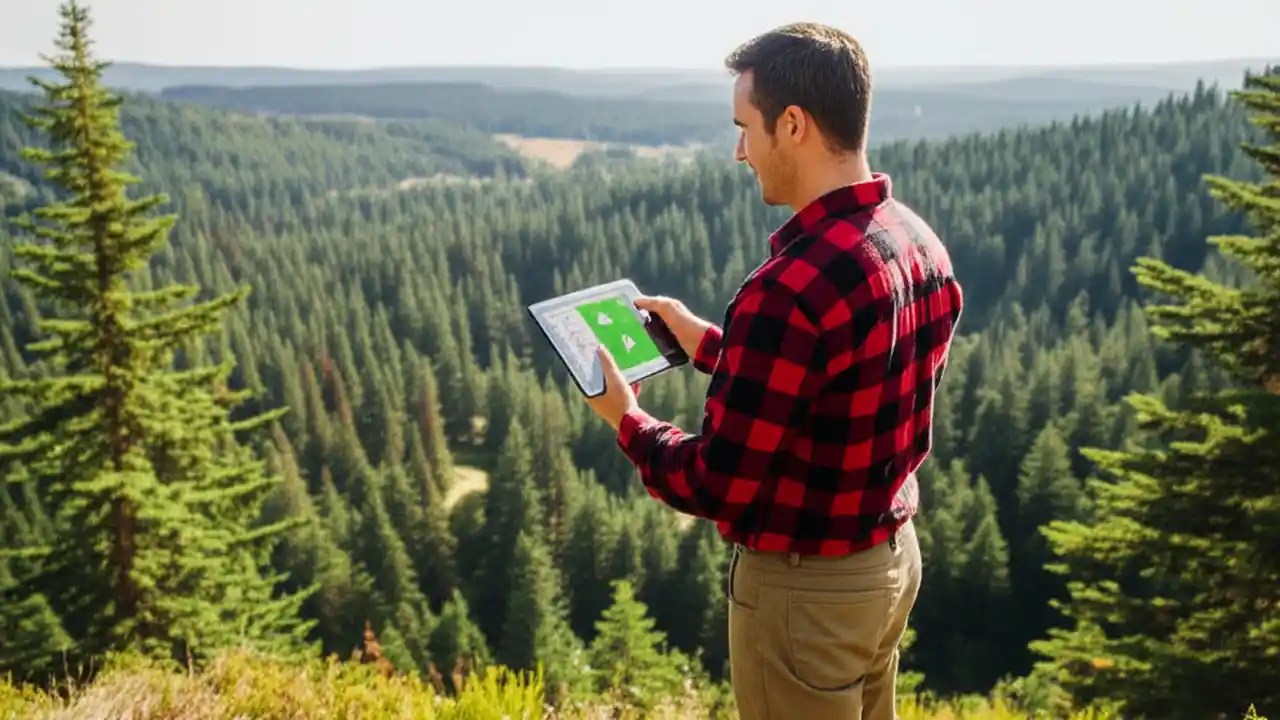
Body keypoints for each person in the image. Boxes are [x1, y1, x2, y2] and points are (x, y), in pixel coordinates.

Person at [583, 21, 964, 720]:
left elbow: (718, 484)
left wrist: (627, 420)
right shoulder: (914, 242)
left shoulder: (788, 289)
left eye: (744, 127)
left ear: (792, 125)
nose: (739, 151)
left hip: (806, 596)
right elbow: (841, 382)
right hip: (888, 562)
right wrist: (710, 345)